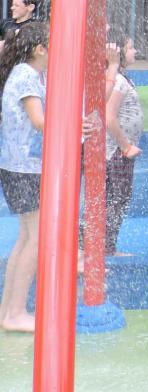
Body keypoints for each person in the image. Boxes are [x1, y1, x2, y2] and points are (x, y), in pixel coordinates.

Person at [0, 25, 47, 332]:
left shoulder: (18, 72)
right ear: (40, 49)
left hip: (15, 165)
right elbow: (40, 121)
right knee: (35, 237)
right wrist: (74, 127)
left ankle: (8, 310)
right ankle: (15, 312)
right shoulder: (28, 75)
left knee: (26, 237)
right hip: (26, 167)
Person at [102, 37, 144, 256]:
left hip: (115, 150)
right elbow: (108, 117)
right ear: (118, 52)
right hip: (116, 151)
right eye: (130, 47)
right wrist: (125, 146)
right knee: (116, 198)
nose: (134, 50)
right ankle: (106, 247)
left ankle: (104, 244)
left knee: (115, 198)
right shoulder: (117, 79)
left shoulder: (119, 78)